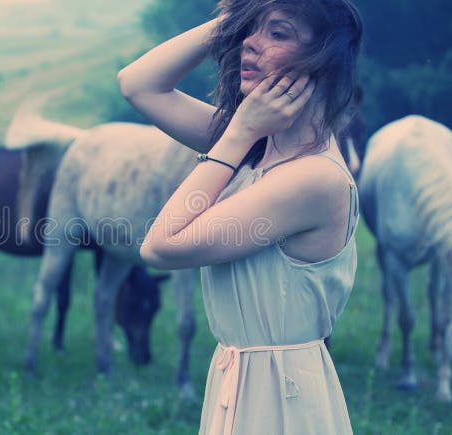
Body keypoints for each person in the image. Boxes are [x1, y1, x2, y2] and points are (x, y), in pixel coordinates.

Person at [118, 0, 363, 434]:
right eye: (251, 30)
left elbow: (160, 247)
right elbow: (138, 84)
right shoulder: (257, 149)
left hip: (283, 401)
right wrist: (230, 20)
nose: (249, 43)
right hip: (239, 378)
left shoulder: (313, 178)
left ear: (323, 60)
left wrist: (240, 133)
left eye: (278, 33)